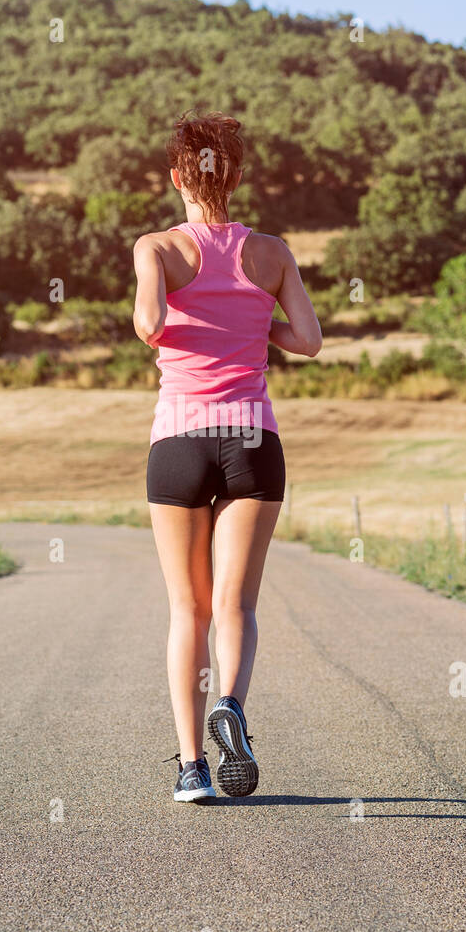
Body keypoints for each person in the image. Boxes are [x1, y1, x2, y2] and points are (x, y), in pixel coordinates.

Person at [132, 113, 321, 802]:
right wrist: (250, 319)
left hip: (178, 442)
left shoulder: (154, 247)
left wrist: (173, 307)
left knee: (189, 610)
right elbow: (307, 339)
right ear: (235, 178)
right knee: (236, 605)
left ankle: (190, 769)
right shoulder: (270, 251)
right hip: (252, 442)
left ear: (177, 177)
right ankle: (232, 708)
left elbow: (149, 324)